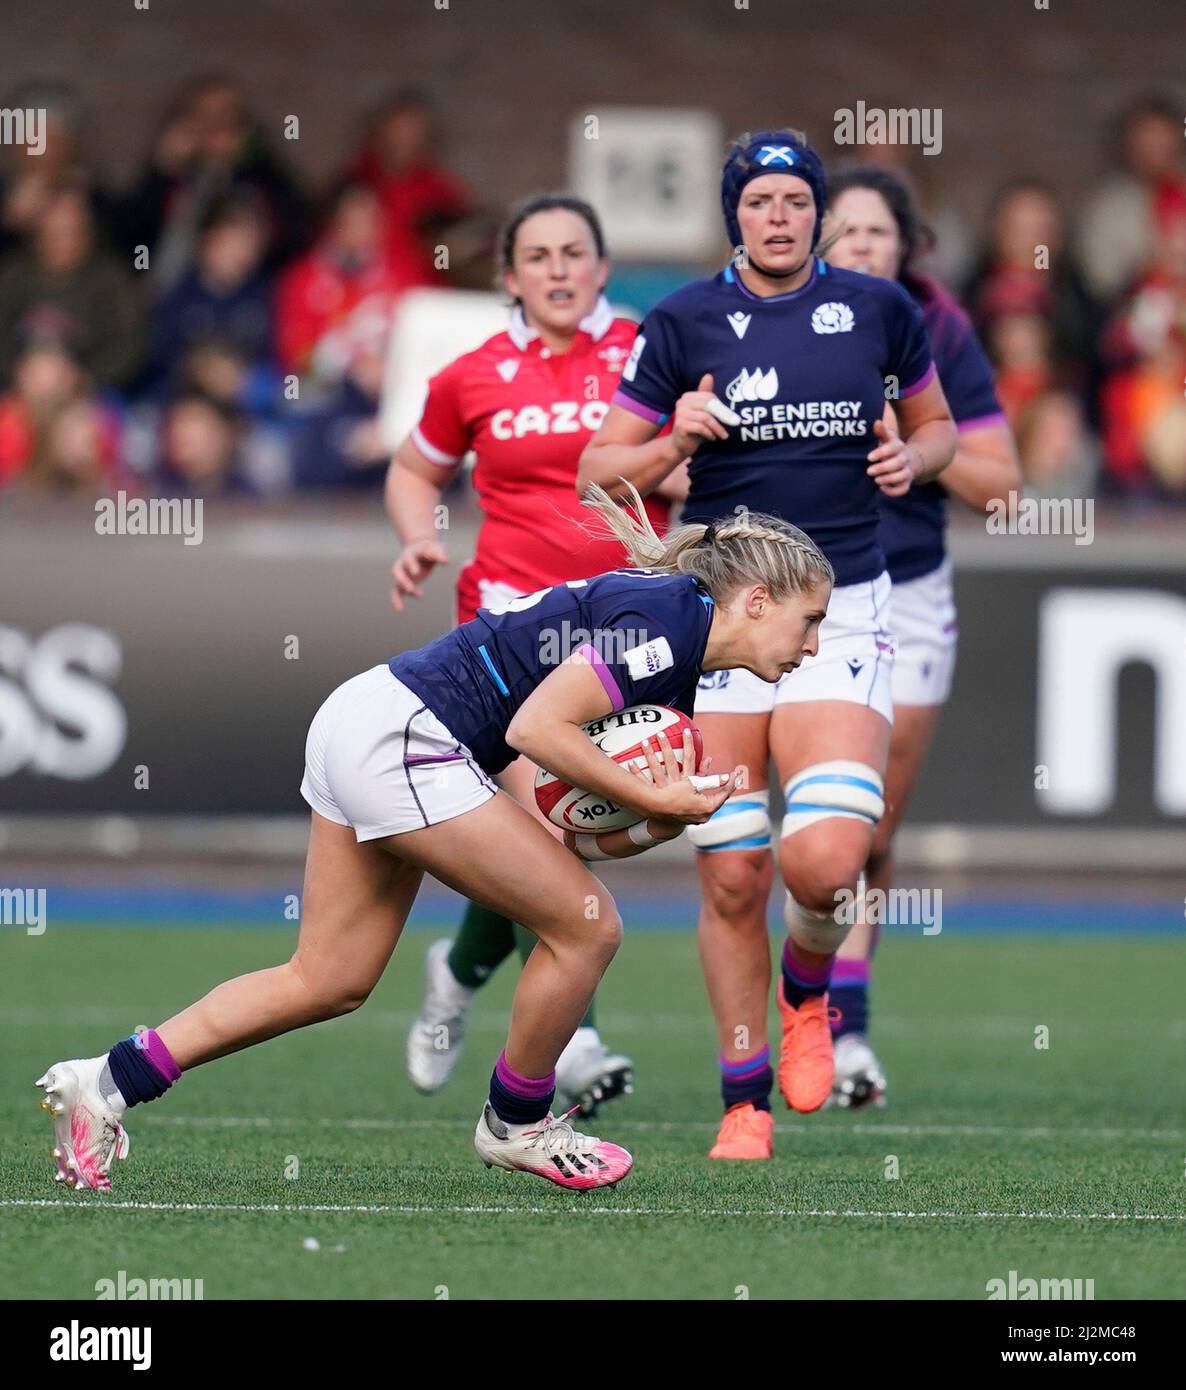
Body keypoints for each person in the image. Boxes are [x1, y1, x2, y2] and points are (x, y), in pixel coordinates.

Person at [35, 488, 833, 1193]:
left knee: (329, 978)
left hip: (371, 718)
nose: (815, 647)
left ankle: (104, 1082)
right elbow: (536, 728)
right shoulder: (670, 619)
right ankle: (516, 1123)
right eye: (812, 621)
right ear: (757, 600)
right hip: (409, 736)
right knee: (589, 928)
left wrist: (662, 818)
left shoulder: (673, 641)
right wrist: (650, 794)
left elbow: (567, 831)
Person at [579, 129, 957, 1160]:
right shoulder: (683, 319)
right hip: (718, 625)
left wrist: (908, 456)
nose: (777, 217)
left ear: (817, 213)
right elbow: (597, 468)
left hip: (840, 605)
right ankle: (741, 1098)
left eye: (795, 201)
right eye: (758, 202)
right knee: (733, 877)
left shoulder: (878, 308)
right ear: (733, 215)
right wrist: (674, 441)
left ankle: (808, 992)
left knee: (827, 860)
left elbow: (940, 431)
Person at [388, 193, 686, 1114]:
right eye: (538, 256)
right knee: (547, 825)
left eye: (575, 253)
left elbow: (694, 461)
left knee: (561, 833)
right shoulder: (472, 372)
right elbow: (413, 468)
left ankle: (460, 968)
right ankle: (579, 1042)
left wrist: (682, 459)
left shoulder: (651, 351)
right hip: (512, 628)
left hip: (631, 630)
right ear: (508, 275)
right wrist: (417, 535)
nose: (558, 269)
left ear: (602, 267)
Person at [821, 167, 1022, 1103]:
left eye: (876, 232)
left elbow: (1003, 485)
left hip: (905, 591)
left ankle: (844, 1028)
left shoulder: (938, 332)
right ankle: (768, 1029)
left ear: (906, 247)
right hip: (791, 594)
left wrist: (917, 439)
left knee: (869, 821)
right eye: (844, 231)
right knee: (780, 832)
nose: (860, 245)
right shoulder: (761, 320)